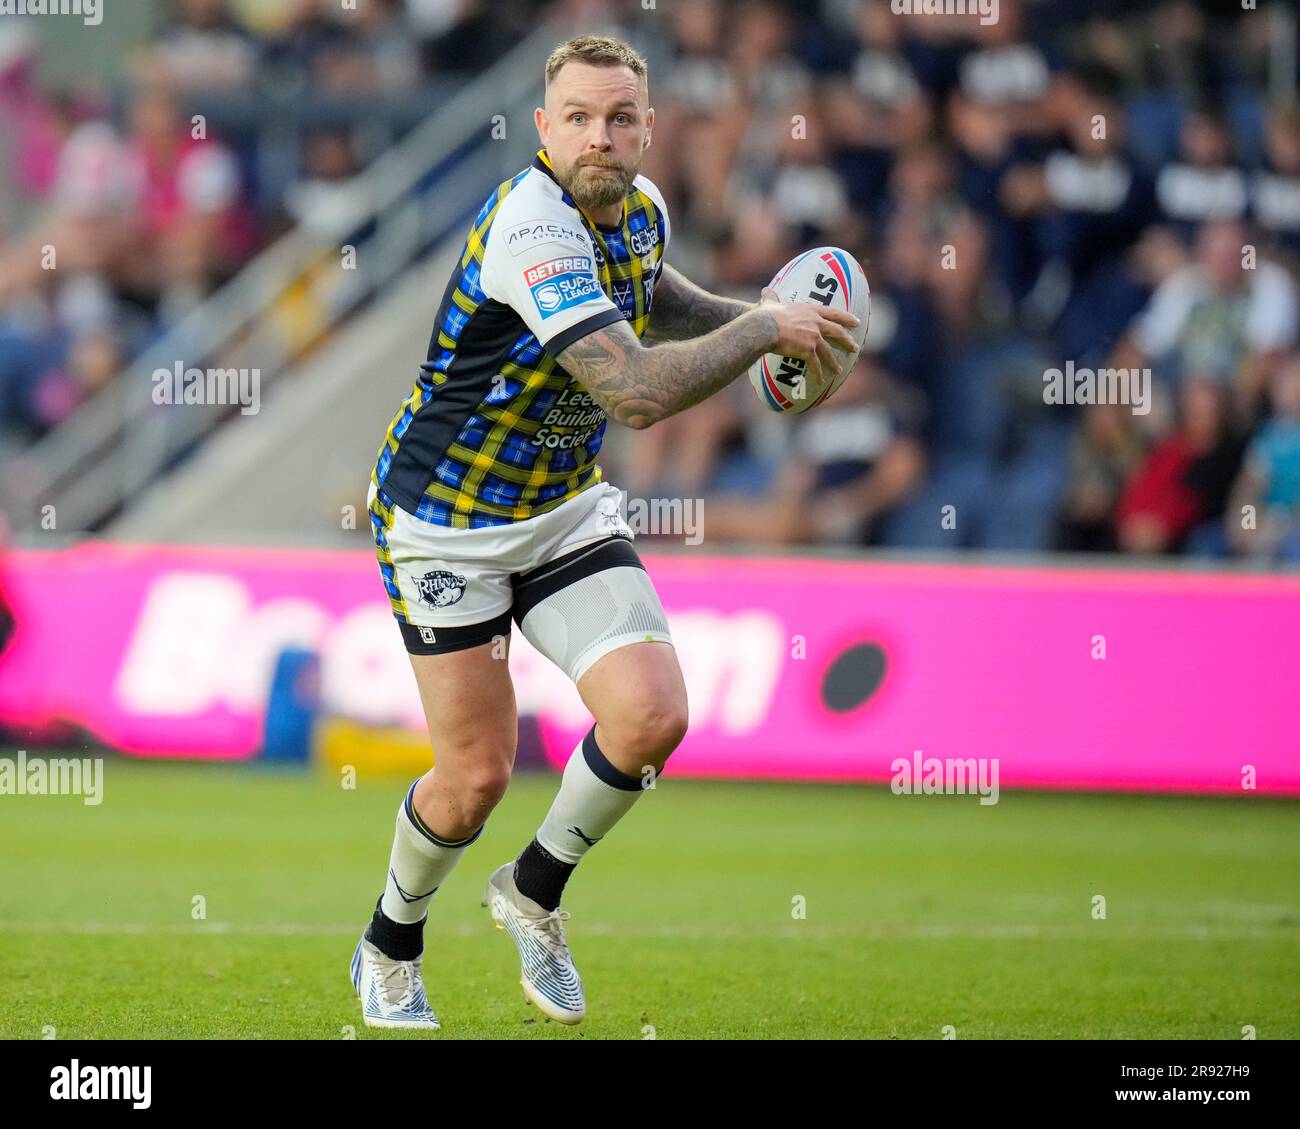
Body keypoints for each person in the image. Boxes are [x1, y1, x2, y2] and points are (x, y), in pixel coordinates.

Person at [352, 34, 859, 1030]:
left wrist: (756, 310)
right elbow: (630, 390)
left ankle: (532, 892)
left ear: (647, 129)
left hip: (560, 508)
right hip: (445, 523)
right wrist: (764, 332)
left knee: (651, 715)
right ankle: (391, 943)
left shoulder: (642, 211)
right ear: (544, 129)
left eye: (620, 119)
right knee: (473, 779)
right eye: (578, 118)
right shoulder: (530, 228)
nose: (600, 136)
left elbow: (656, 302)